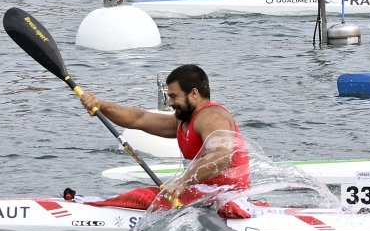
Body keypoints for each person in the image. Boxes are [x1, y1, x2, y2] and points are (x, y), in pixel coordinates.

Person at [78, 64, 249, 212]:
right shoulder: (185, 120)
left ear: (194, 94)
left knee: (142, 196)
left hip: (227, 199)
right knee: (145, 195)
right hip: (203, 194)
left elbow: (221, 155)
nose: (170, 103)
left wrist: (182, 182)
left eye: (174, 96)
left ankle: (85, 205)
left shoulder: (212, 116)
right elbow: (139, 119)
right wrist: (101, 106)